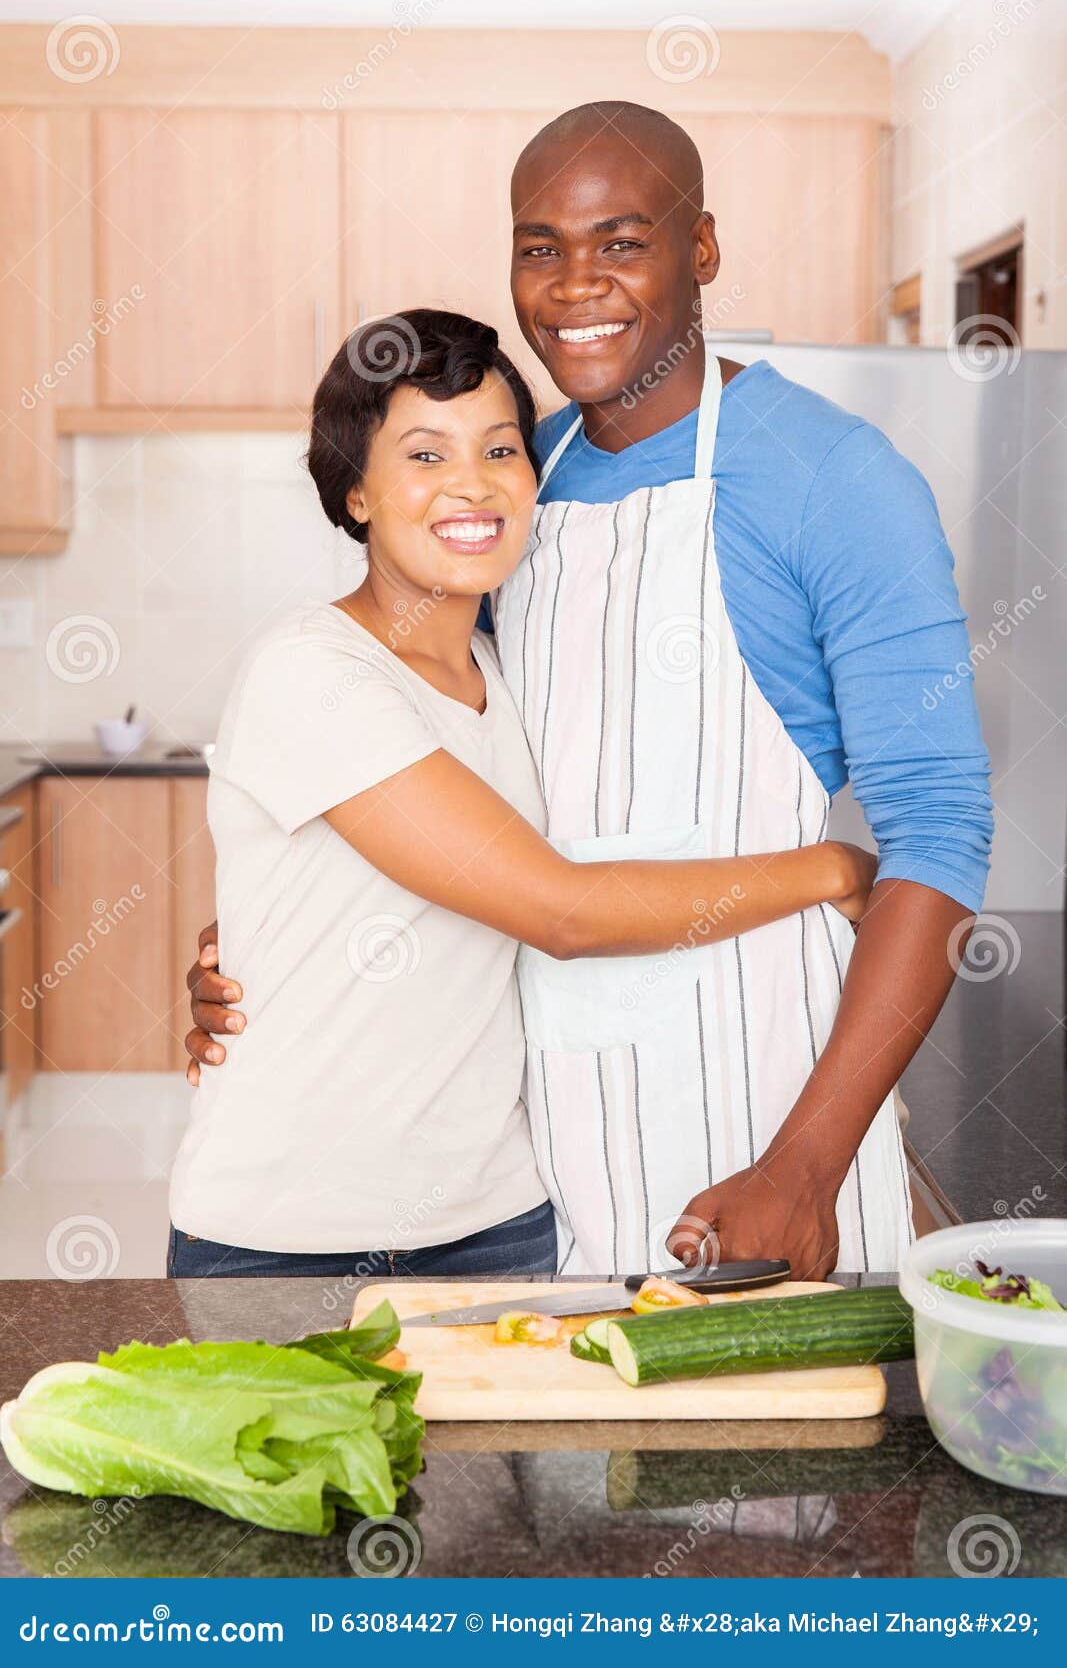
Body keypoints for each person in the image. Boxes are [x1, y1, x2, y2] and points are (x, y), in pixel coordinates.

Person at [186, 101, 992, 1279]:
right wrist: (261, 946)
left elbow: (938, 832)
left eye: (621, 242)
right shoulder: (514, 489)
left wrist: (805, 1166)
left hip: (760, 1102)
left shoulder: (835, 477)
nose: (576, 285)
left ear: (700, 251)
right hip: (534, 1166)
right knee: (546, 1453)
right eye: (539, 248)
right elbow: (464, 812)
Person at [168, 310, 877, 1279]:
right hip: (288, 1242)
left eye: (501, 448)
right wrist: (830, 866)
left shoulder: (508, 675)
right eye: (425, 453)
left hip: (497, 1225)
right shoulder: (312, 672)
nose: (471, 481)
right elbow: (560, 908)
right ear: (357, 495)